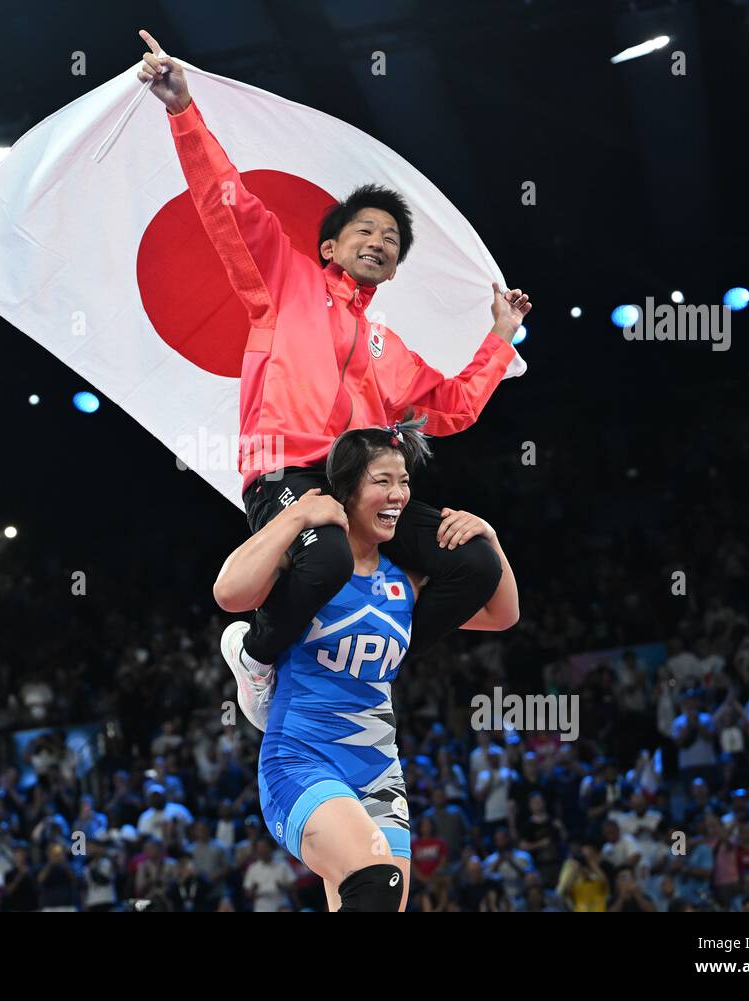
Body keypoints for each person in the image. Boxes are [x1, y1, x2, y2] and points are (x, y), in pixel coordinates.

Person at [137, 30, 530, 731]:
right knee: (321, 563)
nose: (379, 242)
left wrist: (499, 337)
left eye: (391, 241)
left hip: (364, 488)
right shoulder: (282, 285)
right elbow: (229, 205)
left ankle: (368, 655)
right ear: (329, 246)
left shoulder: (390, 346)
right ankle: (257, 656)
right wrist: (182, 111)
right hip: (286, 473)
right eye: (366, 231)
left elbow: (455, 407)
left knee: (472, 563)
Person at [213, 418, 518, 911]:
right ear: (347, 491)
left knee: (377, 899)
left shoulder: (408, 582)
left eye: (404, 482)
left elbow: (503, 615)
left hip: (379, 775)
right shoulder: (309, 568)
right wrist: (295, 518)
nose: (399, 494)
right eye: (383, 481)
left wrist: (490, 539)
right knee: (375, 878)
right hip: (303, 760)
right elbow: (228, 593)